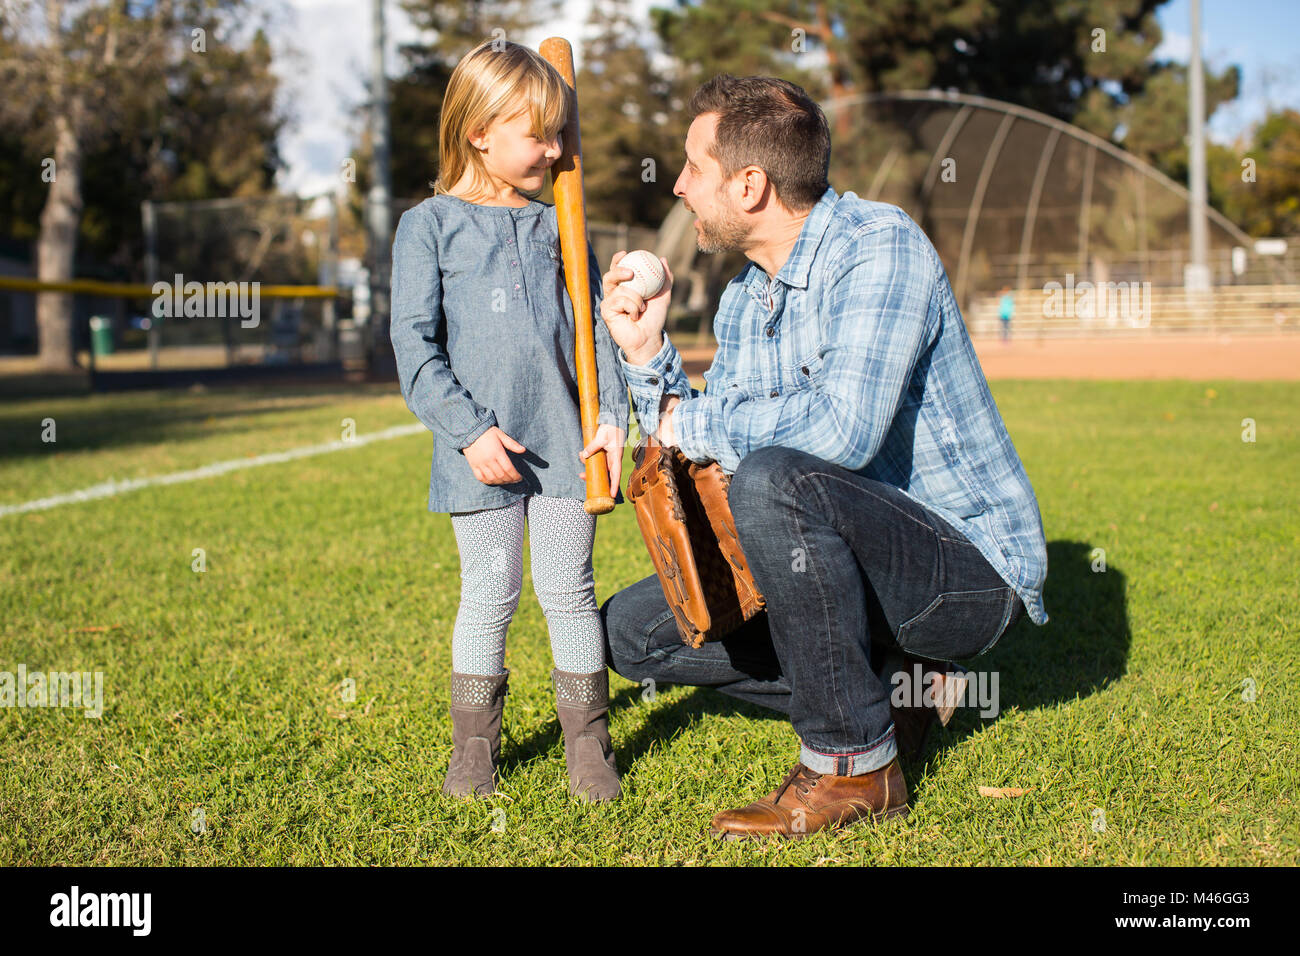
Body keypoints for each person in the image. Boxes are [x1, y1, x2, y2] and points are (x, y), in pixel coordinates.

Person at [598, 74, 1049, 839]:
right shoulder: (747, 297)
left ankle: (855, 766)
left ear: (749, 185)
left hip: (963, 572)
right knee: (632, 632)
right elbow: (707, 448)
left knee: (777, 477)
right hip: (842, 560)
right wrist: (647, 356)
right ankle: (894, 696)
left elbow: (842, 433)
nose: (676, 186)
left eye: (692, 168)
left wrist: (690, 427)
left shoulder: (881, 246)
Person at [389, 40, 630, 802]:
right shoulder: (429, 226)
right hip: (482, 453)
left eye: (562, 132)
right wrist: (468, 430)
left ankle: (588, 745)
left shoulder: (562, 218)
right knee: (489, 597)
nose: (557, 149)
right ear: (479, 132)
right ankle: (474, 750)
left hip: (564, 444)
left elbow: (596, 328)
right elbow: (414, 344)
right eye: (539, 134)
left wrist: (613, 417)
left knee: (569, 591)